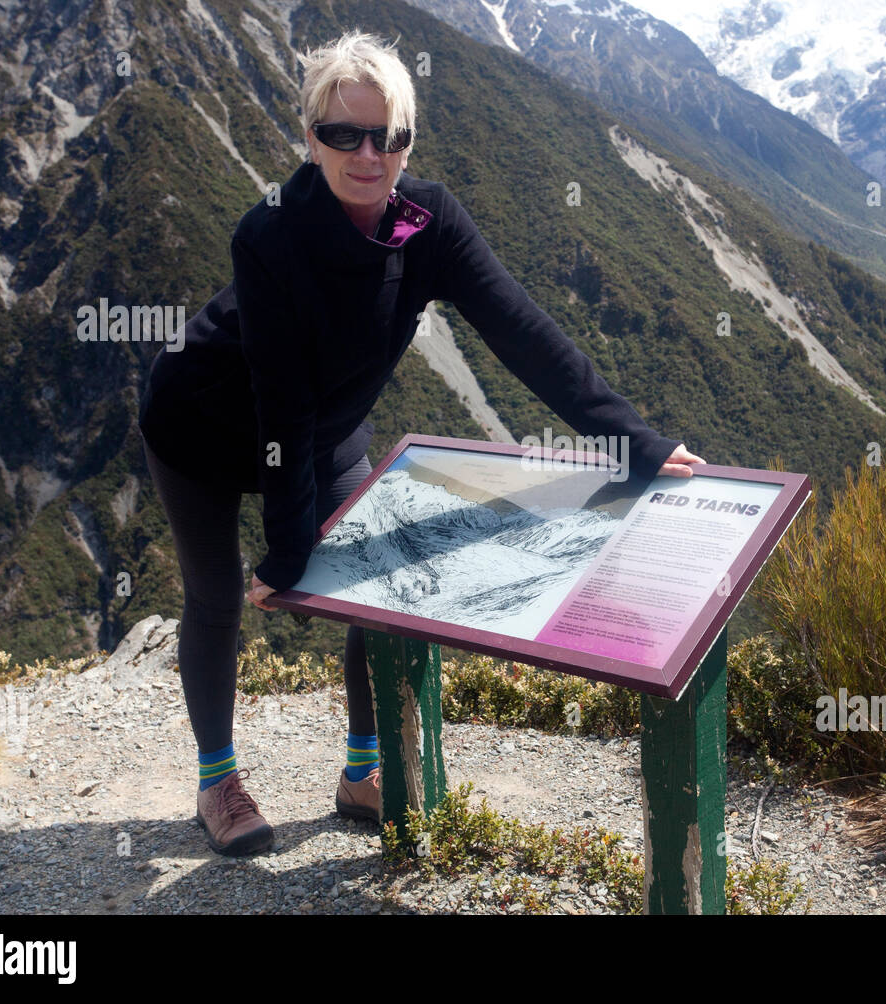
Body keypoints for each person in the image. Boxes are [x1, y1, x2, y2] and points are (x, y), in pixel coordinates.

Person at [137, 28, 705, 857]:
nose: (367, 155)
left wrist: (636, 443)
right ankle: (218, 781)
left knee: (374, 577)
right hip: (202, 421)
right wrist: (288, 555)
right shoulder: (271, 237)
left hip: (324, 427)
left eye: (388, 136)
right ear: (310, 138)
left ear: (407, 139)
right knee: (218, 597)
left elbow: (523, 333)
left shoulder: (428, 223)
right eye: (343, 134)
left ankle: (364, 770)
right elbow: (280, 403)